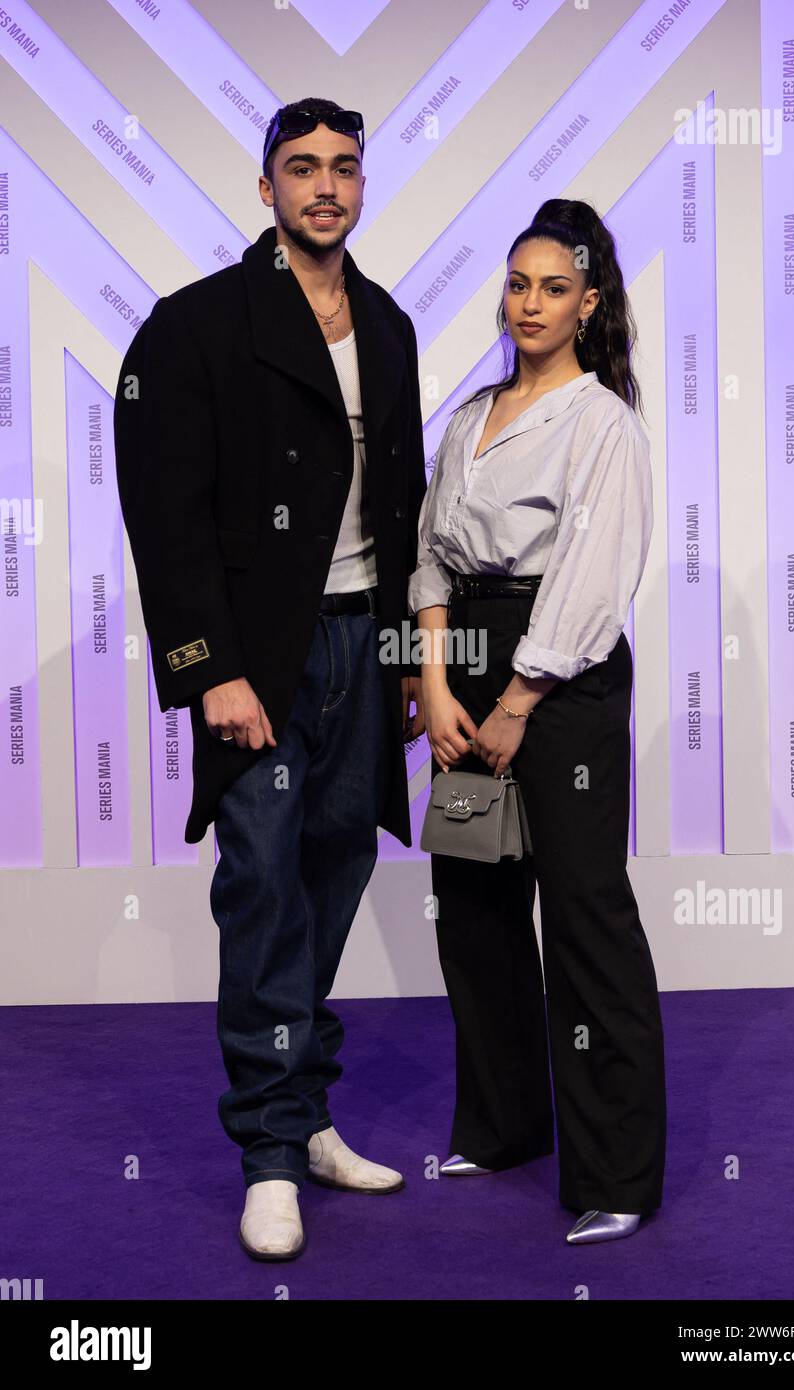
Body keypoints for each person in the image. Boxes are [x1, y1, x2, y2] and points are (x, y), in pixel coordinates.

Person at [114, 98, 426, 1261]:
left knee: (336, 870)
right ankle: (267, 1153)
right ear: (265, 189)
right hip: (261, 663)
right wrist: (212, 672)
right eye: (302, 169)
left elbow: (400, 511)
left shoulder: (387, 324)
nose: (325, 187)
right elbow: (165, 513)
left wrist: (404, 659)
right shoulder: (194, 326)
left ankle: (306, 1112)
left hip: (361, 644)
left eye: (344, 167)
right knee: (263, 890)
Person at [408, 198, 666, 1245]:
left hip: (557, 682)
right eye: (516, 284)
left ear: (586, 303)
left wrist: (516, 699)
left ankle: (615, 1171)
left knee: (582, 915)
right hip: (460, 656)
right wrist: (431, 677)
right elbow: (428, 548)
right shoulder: (469, 417)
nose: (528, 303)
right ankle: (504, 1125)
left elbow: (589, 584)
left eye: (552, 287)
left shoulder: (601, 421)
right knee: (471, 902)